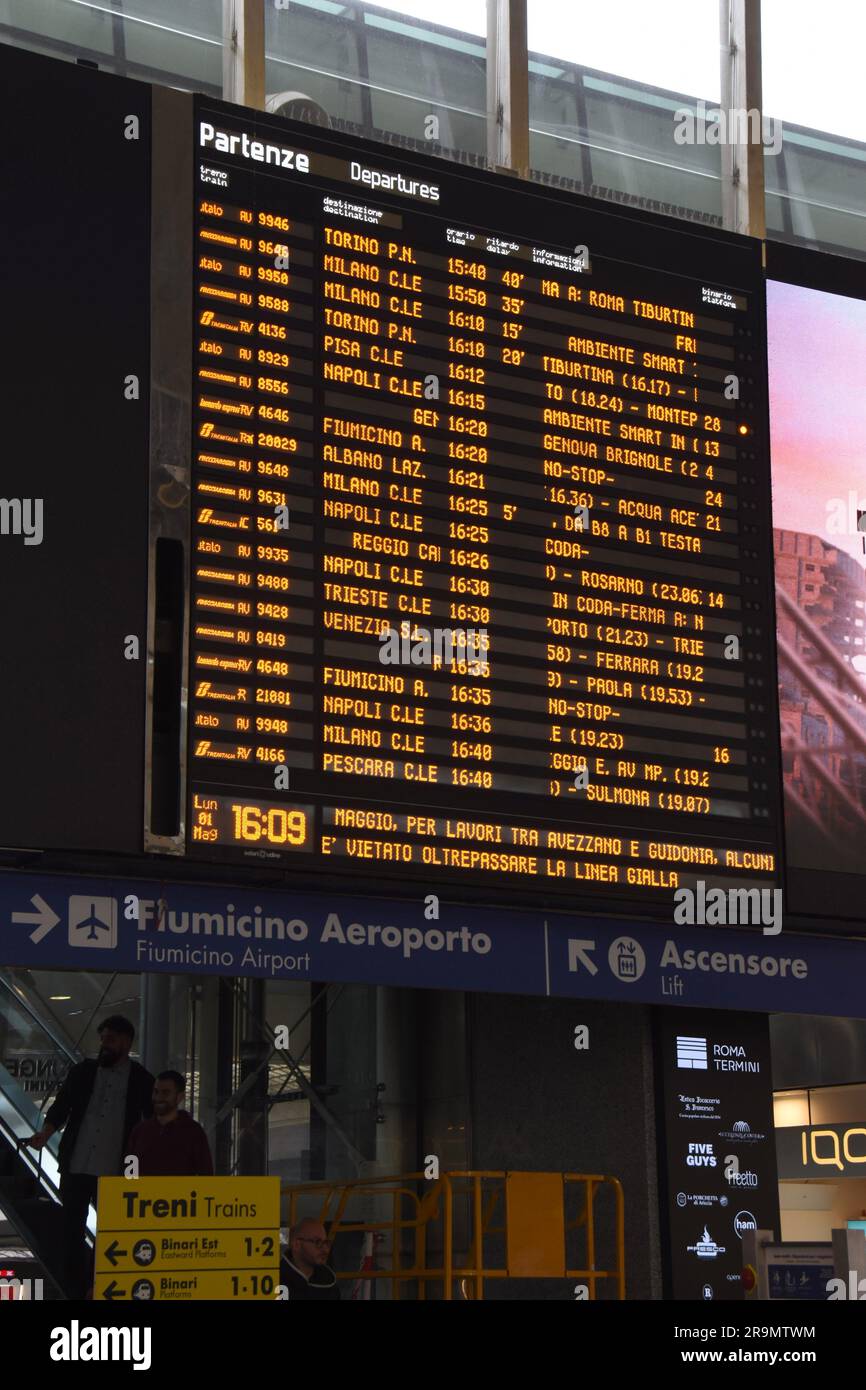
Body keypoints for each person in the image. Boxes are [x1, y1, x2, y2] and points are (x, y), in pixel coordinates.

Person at [24, 1015, 154, 1299]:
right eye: (103, 1038)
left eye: (110, 1039)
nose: (104, 1044)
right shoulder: (83, 1071)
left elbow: (149, 1123)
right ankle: (73, 1287)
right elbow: (62, 1106)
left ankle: (99, 1285)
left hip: (115, 1168)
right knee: (71, 1227)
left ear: (126, 1042)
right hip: (77, 1162)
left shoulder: (142, 1079)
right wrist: (45, 1133)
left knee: (109, 1232)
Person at [127, 1071, 213, 1176]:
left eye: (165, 1093)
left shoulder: (193, 1132)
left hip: (180, 1192)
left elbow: (206, 1175)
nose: (158, 1097)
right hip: (145, 1192)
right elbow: (129, 1175)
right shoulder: (139, 1131)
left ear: (180, 1096)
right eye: (156, 1091)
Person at [280, 1219, 340, 1300]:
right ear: (297, 1245)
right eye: (317, 1242)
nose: (325, 1249)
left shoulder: (329, 1282)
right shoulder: (275, 1281)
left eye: (326, 1243)